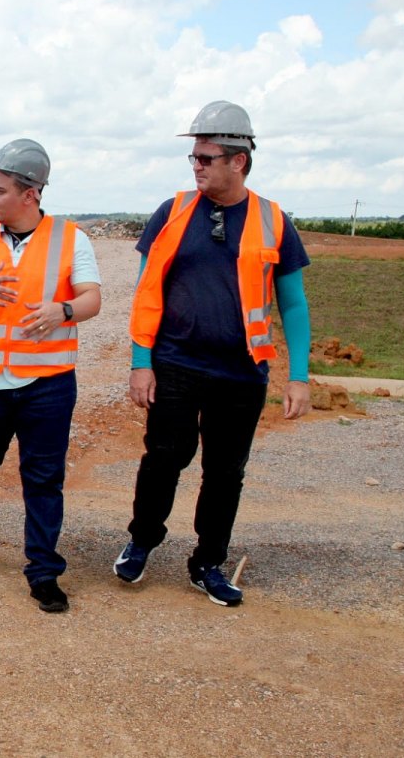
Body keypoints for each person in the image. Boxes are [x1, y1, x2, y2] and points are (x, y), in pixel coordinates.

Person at [114, 100, 312, 607]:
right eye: (194, 158)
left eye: (205, 157)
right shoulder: (173, 212)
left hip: (242, 374)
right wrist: (141, 362)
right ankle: (142, 541)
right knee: (164, 457)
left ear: (238, 160)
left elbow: (292, 303)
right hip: (176, 365)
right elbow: (146, 292)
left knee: (225, 472)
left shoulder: (273, 220)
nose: (196, 165)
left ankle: (208, 562)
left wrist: (300, 376)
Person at [0, 139, 102, 613]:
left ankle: (44, 571)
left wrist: (63, 310)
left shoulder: (72, 239)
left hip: (48, 384)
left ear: (30, 194)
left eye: (0, 189)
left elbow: (93, 298)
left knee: (44, 478)